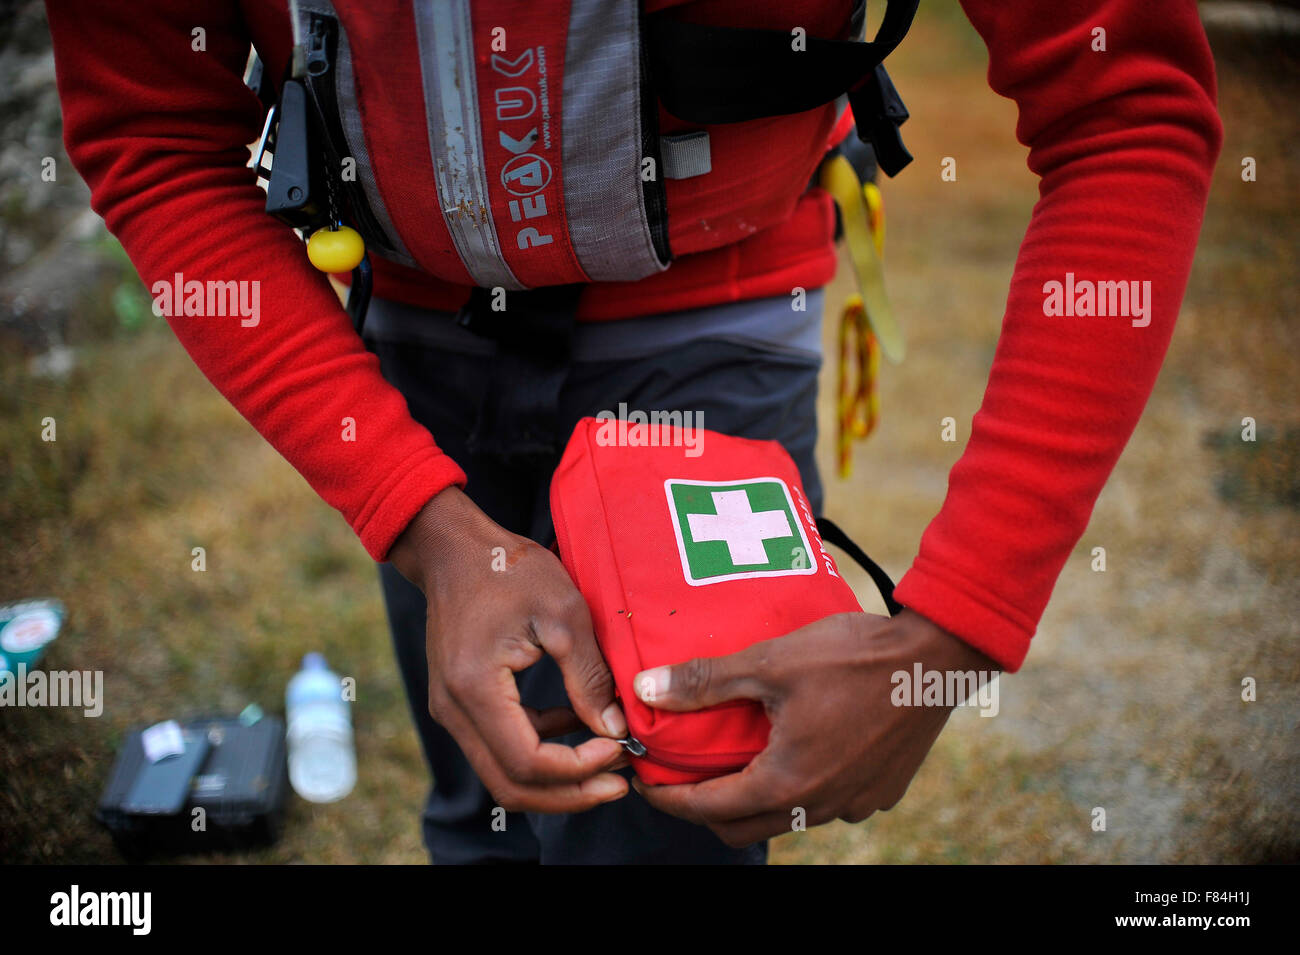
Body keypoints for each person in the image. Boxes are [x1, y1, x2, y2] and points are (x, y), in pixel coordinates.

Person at [45, 0, 1223, 864]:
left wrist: (953, 629)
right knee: (489, 807)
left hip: (716, 317)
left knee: (669, 809)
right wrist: (423, 522)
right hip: (413, 342)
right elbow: (154, 142)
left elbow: (1127, 107)